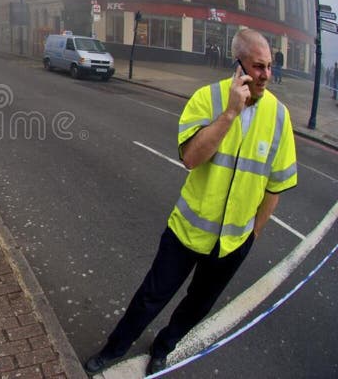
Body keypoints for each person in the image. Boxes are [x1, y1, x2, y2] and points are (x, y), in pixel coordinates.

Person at [84, 29, 297, 376]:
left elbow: (275, 185)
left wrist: (252, 236)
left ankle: (163, 347)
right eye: (258, 67)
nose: (266, 75)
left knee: (197, 306)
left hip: (232, 244)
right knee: (151, 296)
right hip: (187, 232)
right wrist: (229, 114)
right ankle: (114, 348)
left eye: (270, 67)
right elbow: (192, 158)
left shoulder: (279, 116)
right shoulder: (206, 99)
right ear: (238, 66)